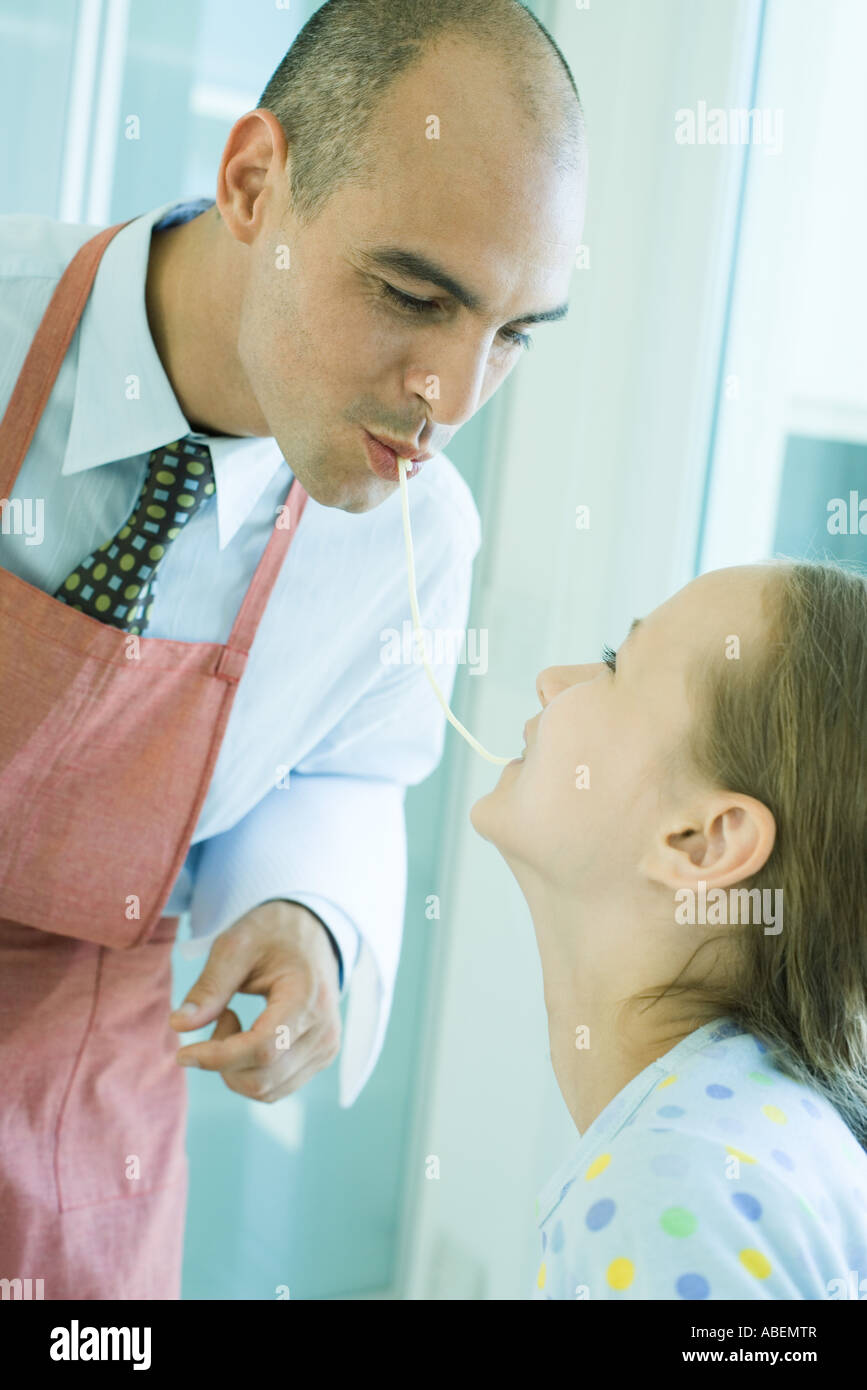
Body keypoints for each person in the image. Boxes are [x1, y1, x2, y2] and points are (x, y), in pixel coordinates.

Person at [0, 0, 586, 1299]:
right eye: (412, 294)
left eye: (511, 334)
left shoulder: (415, 533)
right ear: (254, 180)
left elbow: (342, 773)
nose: (452, 392)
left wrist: (309, 920)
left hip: (73, 1145)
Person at [471, 559, 867, 1300]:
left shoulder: (666, 1188)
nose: (552, 679)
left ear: (702, 843)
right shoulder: (747, 1136)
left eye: (616, 667)